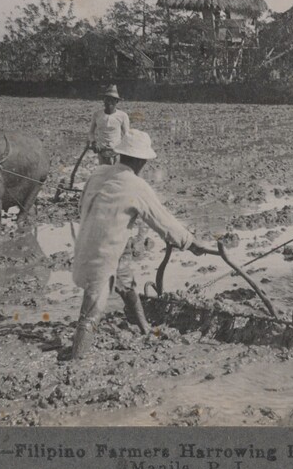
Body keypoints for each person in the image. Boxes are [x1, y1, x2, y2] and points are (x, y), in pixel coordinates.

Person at [68, 128, 216, 360]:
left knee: (127, 284)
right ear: (140, 161)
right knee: (90, 313)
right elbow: (163, 220)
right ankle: (75, 362)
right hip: (102, 257)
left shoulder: (98, 173)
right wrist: (191, 243)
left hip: (87, 245)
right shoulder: (136, 185)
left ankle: (144, 328)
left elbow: (81, 205)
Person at [89, 85, 131, 166]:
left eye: (112, 100)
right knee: (104, 174)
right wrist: (94, 143)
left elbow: (126, 135)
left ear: (117, 101)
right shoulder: (97, 115)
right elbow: (91, 132)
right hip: (101, 151)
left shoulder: (122, 116)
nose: (109, 102)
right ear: (103, 100)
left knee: (116, 174)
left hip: (116, 151)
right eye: (107, 99)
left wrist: (123, 148)